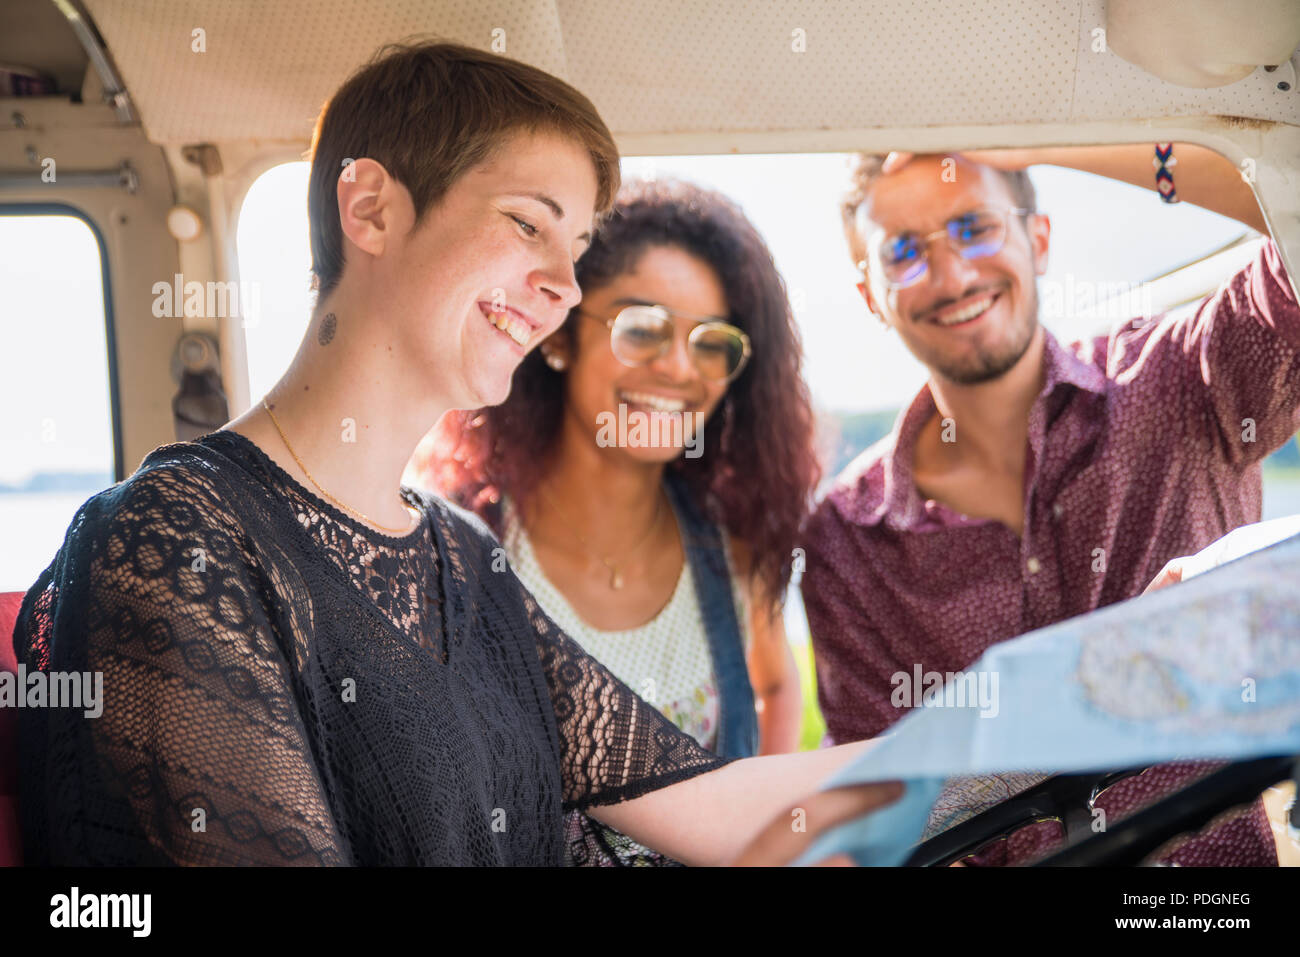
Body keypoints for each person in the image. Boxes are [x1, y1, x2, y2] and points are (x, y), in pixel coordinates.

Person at [12, 41, 899, 866]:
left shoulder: (464, 556)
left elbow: (717, 801)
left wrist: (1007, 741)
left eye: (578, 248)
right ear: (370, 209)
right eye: (527, 224)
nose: (565, 287)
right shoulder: (175, 536)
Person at [801, 145, 1300, 865]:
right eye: (905, 250)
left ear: (1038, 239)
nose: (952, 273)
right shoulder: (846, 536)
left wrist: (1032, 138)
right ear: (870, 295)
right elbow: (884, 811)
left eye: (976, 226)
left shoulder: (1183, 381)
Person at [417, 178, 814, 864]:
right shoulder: (453, 556)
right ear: (560, 336)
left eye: (713, 342)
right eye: (641, 327)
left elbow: (776, 684)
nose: (680, 367)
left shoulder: (733, 553)